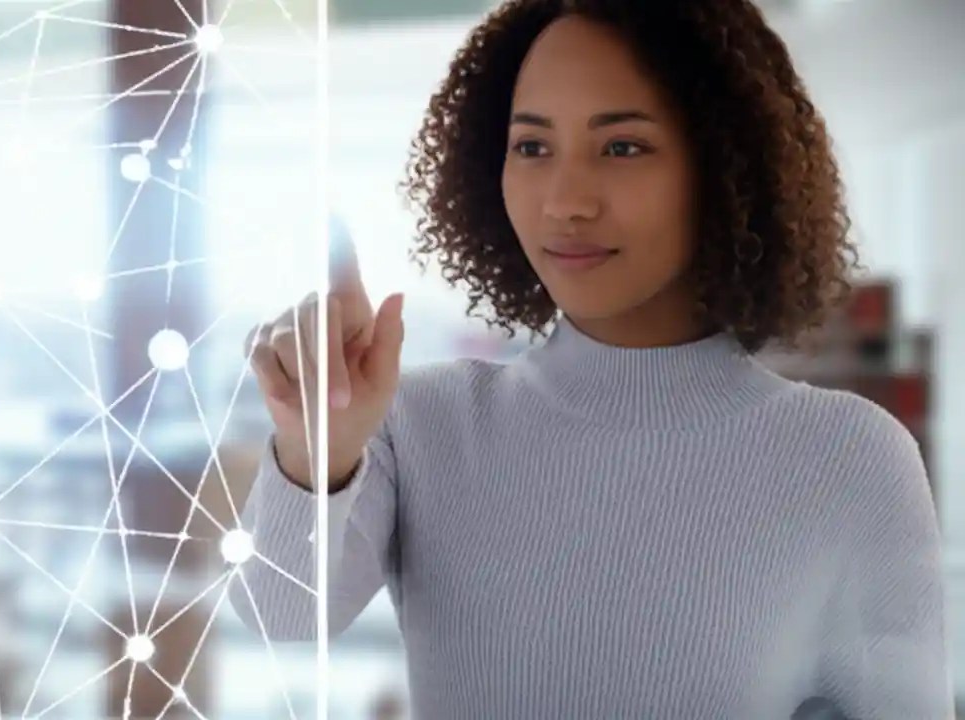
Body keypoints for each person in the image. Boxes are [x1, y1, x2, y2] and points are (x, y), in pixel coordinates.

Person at [230, 1, 953, 717]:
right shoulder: (415, 424)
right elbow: (278, 618)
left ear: (725, 168)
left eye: (622, 147)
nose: (564, 202)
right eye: (533, 148)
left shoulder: (847, 457)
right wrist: (313, 450)